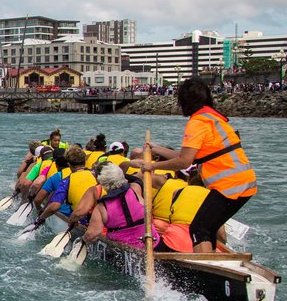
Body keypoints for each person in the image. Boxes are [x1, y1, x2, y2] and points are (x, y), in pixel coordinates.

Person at [131, 77, 257, 252]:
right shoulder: (212, 118)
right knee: (209, 228)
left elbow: (184, 161)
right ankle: (210, 260)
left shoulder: (197, 123)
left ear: (185, 102)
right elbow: (187, 155)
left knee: (199, 229)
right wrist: (156, 148)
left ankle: (205, 267)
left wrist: (152, 166)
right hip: (244, 182)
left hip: (229, 185)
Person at [82, 162, 147, 247]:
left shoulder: (101, 207)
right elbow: (135, 179)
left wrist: (83, 240)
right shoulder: (135, 188)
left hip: (121, 249)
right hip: (150, 243)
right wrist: (119, 176)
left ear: (102, 183)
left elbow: (92, 235)